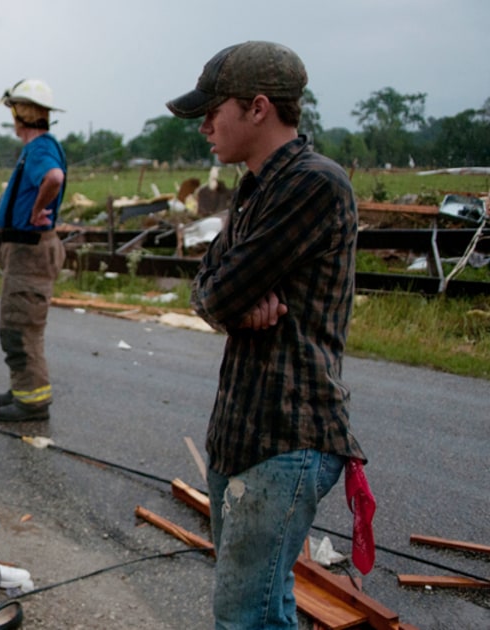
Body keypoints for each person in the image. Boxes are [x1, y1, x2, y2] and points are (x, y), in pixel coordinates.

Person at [166, 41, 366, 629]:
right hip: (242, 432)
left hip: (285, 435)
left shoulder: (315, 184)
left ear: (258, 108)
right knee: (264, 608)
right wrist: (228, 301)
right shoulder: (255, 186)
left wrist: (226, 298)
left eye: (213, 111)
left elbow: (219, 293)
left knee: (243, 617)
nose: (204, 126)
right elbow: (207, 289)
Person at [0, 79, 67, 423]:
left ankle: (32, 402)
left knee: (19, 328)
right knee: (19, 323)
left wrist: (36, 211)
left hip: (29, 252)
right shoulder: (39, 147)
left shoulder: (39, 149)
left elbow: (54, 177)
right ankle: (23, 388)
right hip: (26, 251)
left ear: (21, 114)